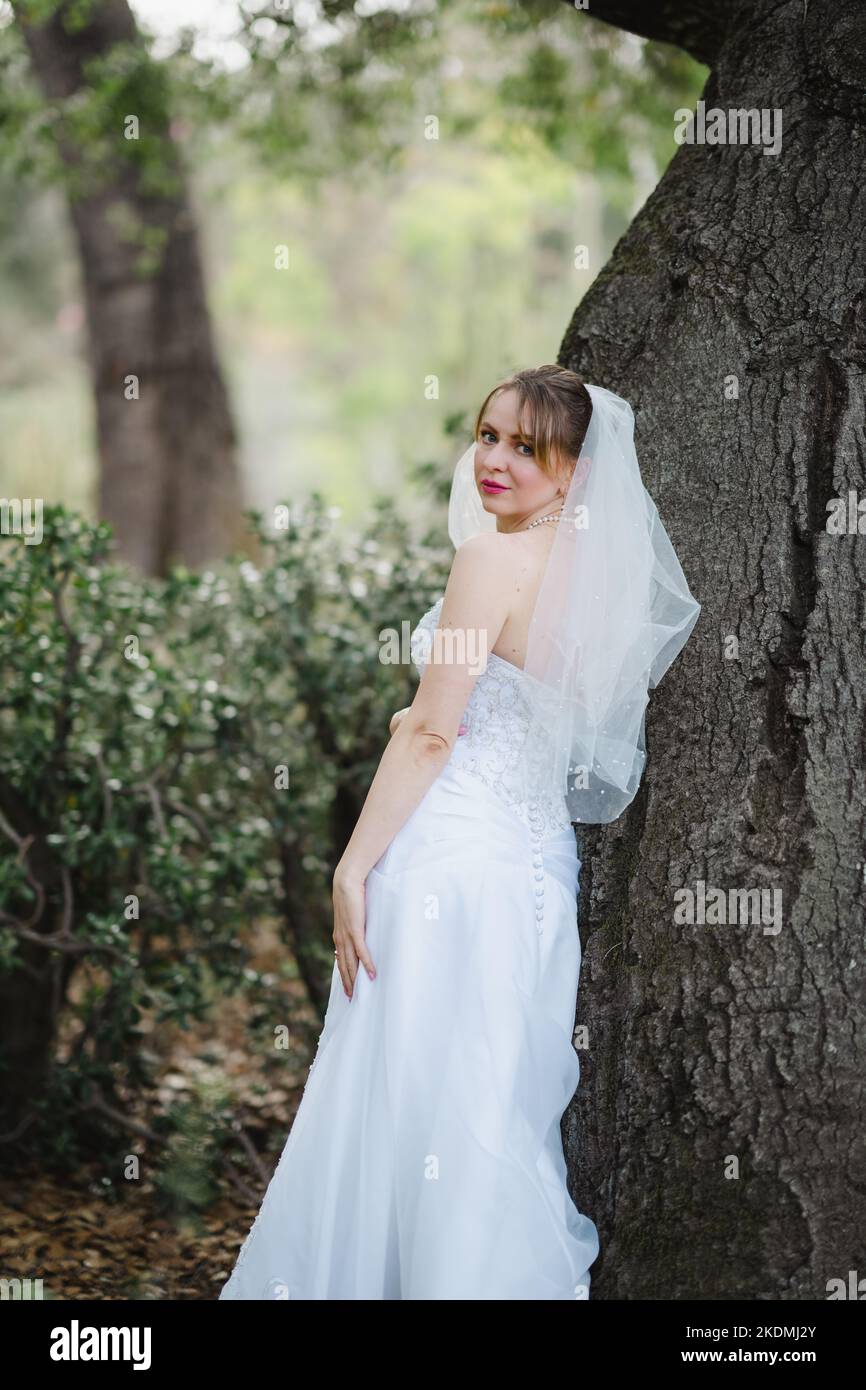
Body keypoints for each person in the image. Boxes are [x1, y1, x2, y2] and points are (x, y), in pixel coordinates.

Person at [218, 365, 700, 1300]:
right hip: (534, 872)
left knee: (402, 1099)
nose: (496, 461)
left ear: (574, 468)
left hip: (447, 858)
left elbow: (439, 729)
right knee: (487, 1105)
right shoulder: (598, 579)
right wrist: (426, 723)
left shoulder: (489, 560)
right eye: (488, 436)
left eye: (528, 447)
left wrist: (353, 868)